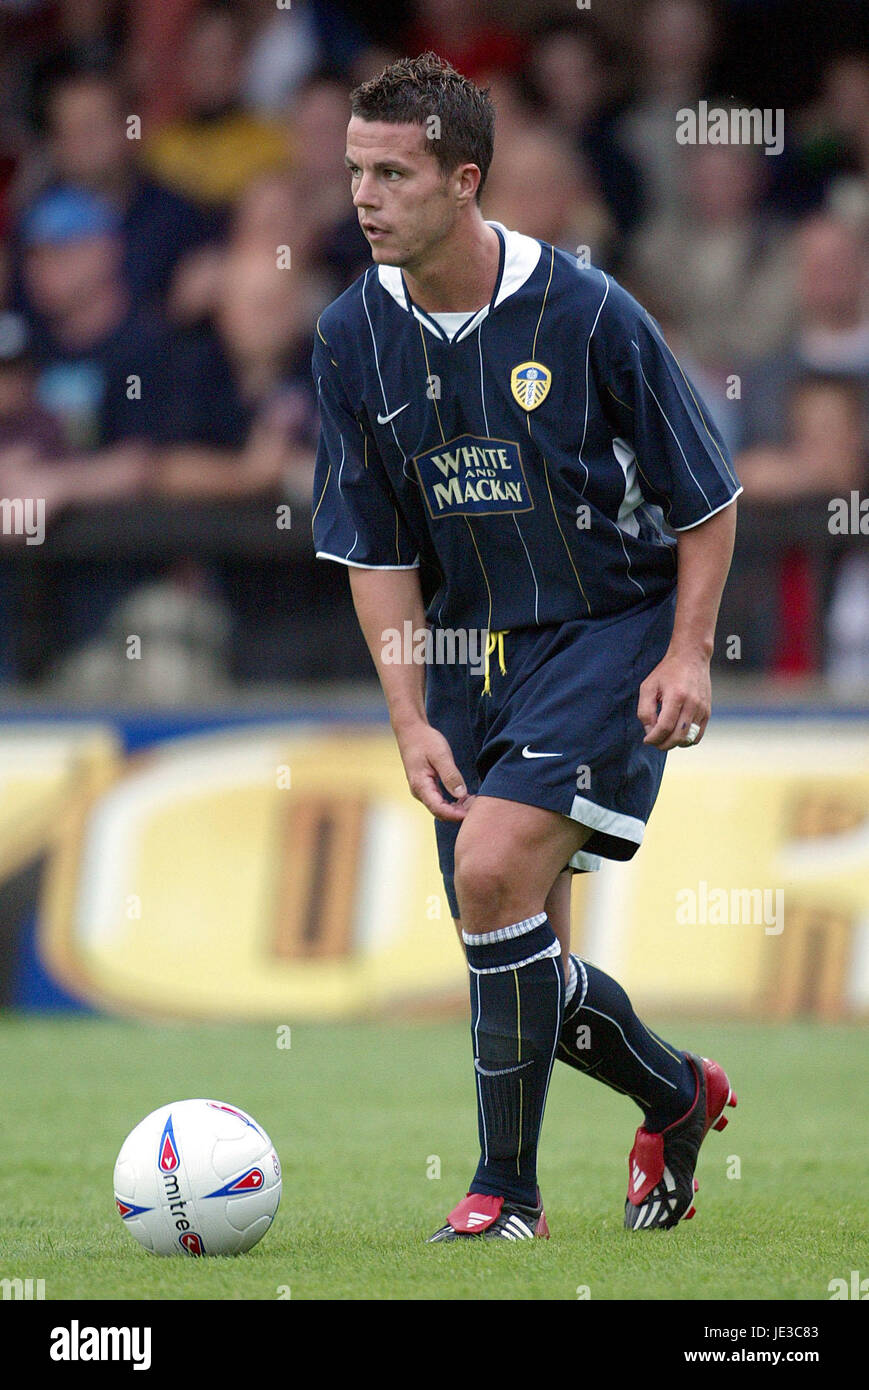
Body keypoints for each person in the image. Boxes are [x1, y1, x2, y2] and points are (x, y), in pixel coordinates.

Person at [311, 52, 740, 1241]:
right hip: (463, 656)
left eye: (391, 173)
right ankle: (674, 1092)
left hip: (607, 627)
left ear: (464, 180)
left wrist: (688, 653)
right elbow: (373, 549)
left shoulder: (588, 311)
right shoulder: (351, 334)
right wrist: (406, 715)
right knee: (509, 943)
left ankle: (506, 1193)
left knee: (489, 871)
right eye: (353, 170)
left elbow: (705, 499)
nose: (362, 196)